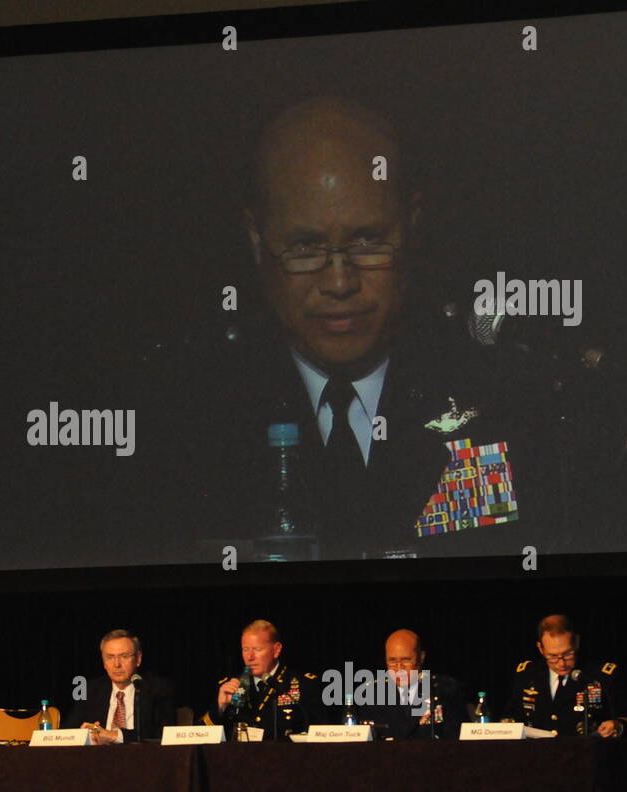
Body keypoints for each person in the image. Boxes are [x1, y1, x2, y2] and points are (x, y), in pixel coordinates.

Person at [173, 95, 559, 561]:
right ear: (257, 240)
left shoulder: (501, 390)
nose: (339, 282)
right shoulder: (193, 411)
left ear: (411, 227)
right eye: (304, 247)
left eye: (368, 241)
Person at [504, 614, 627, 737]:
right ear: (540, 648)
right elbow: (511, 719)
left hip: (584, 755)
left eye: (567, 654)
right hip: (537, 756)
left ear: (576, 642)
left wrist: (617, 726)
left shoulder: (600, 676)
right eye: (552, 656)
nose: (561, 663)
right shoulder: (527, 675)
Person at [207, 619, 322, 739]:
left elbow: (320, 735)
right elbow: (201, 738)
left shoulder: (303, 684)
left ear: (276, 650)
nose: (250, 657)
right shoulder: (231, 686)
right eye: (245, 649)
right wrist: (220, 707)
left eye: (257, 649)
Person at [64, 629, 175, 743]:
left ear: (138, 659)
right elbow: (69, 731)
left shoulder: (157, 688)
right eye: (110, 657)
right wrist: (86, 734)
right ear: (103, 662)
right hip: (97, 757)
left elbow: (162, 735)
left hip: (142, 758)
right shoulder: (90, 690)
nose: (117, 664)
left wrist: (114, 736)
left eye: (124, 656)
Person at [357, 629, 465, 740]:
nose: (399, 668)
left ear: (421, 658)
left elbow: (460, 738)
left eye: (406, 660)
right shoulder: (372, 695)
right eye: (392, 661)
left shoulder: (443, 689)